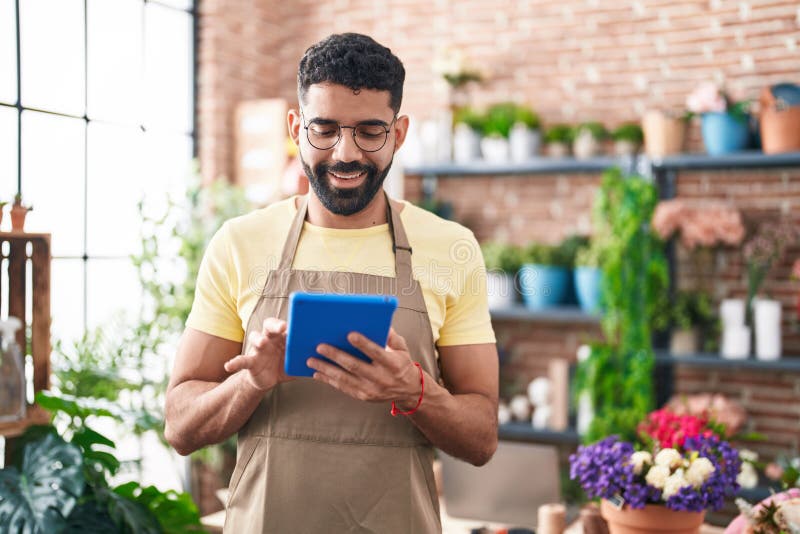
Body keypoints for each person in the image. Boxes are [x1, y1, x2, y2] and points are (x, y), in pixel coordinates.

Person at [165, 32, 499, 533]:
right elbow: (180, 427)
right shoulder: (239, 243)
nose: (345, 153)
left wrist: (414, 391)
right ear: (296, 128)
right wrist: (251, 381)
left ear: (399, 132)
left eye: (370, 131)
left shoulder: (451, 248)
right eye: (323, 129)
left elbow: (482, 438)